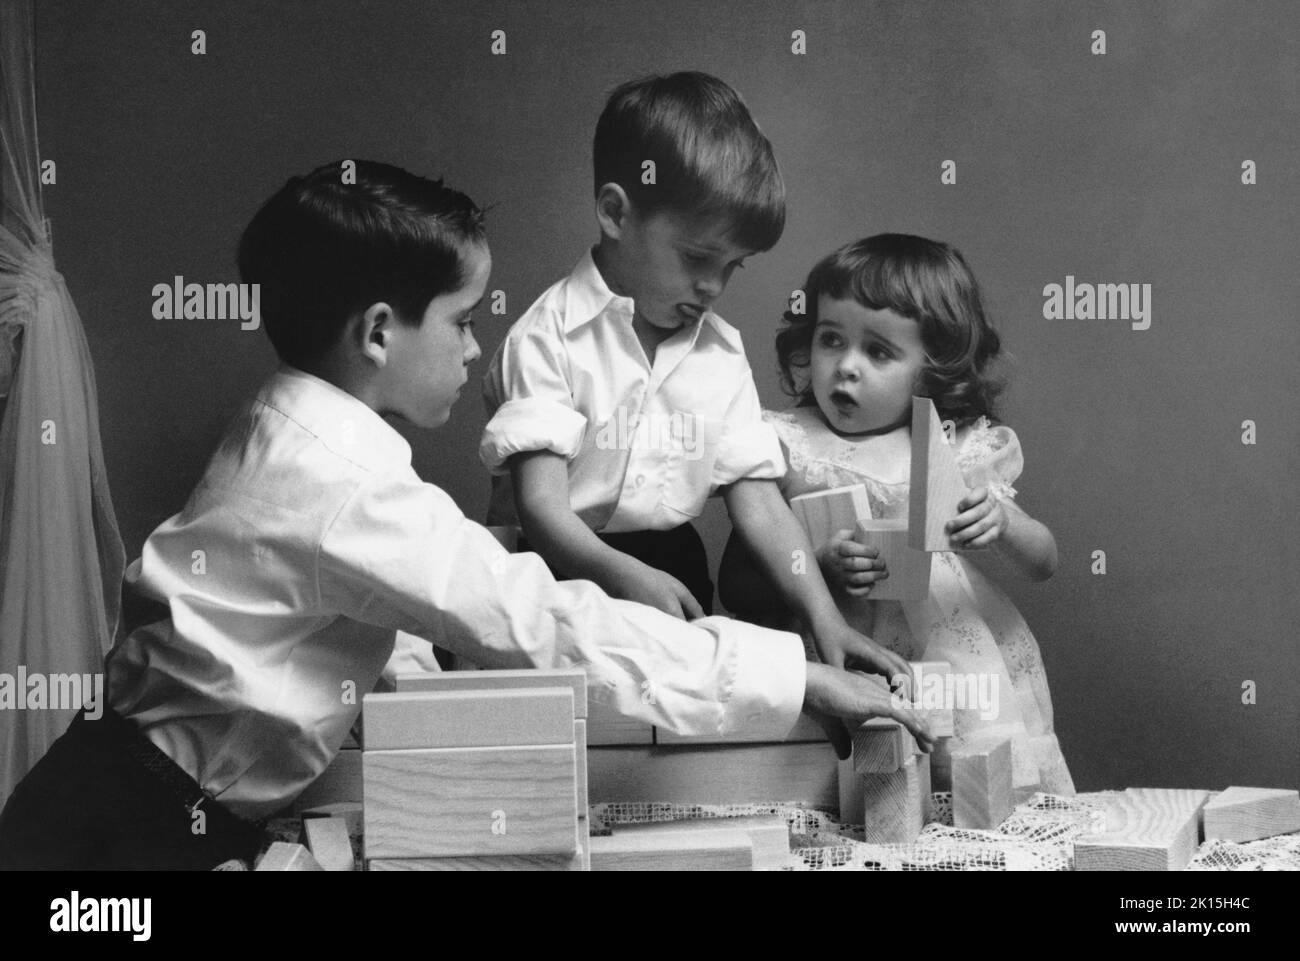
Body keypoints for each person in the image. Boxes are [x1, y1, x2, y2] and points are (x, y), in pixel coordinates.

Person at [0, 163, 931, 871]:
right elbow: (542, 622)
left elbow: (347, 611)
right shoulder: (343, 478)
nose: (478, 345)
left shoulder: (288, 426)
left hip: (111, 798)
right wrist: (796, 676)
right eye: (460, 319)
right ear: (376, 333)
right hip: (119, 839)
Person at [480, 72, 906, 680]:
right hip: (558, 570)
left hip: (674, 570)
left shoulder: (720, 352)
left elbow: (758, 504)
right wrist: (622, 577)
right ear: (614, 213)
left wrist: (823, 617)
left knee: (672, 753)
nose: (713, 287)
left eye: (732, 266)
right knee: (575, 744)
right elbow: (543, 512)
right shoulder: (548, 336)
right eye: (698, 259)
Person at [721, 234, 1073, 797]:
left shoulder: (952, 451)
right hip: (831, 670)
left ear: (930, 369)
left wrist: (1003, 525)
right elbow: (735, 584)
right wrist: (813, 563)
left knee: (962, 797)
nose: (846, 367)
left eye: (878, 352)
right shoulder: (787, 449)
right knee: (846, 805)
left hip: (953, 668)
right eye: (831, 339)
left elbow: (1044, 562)